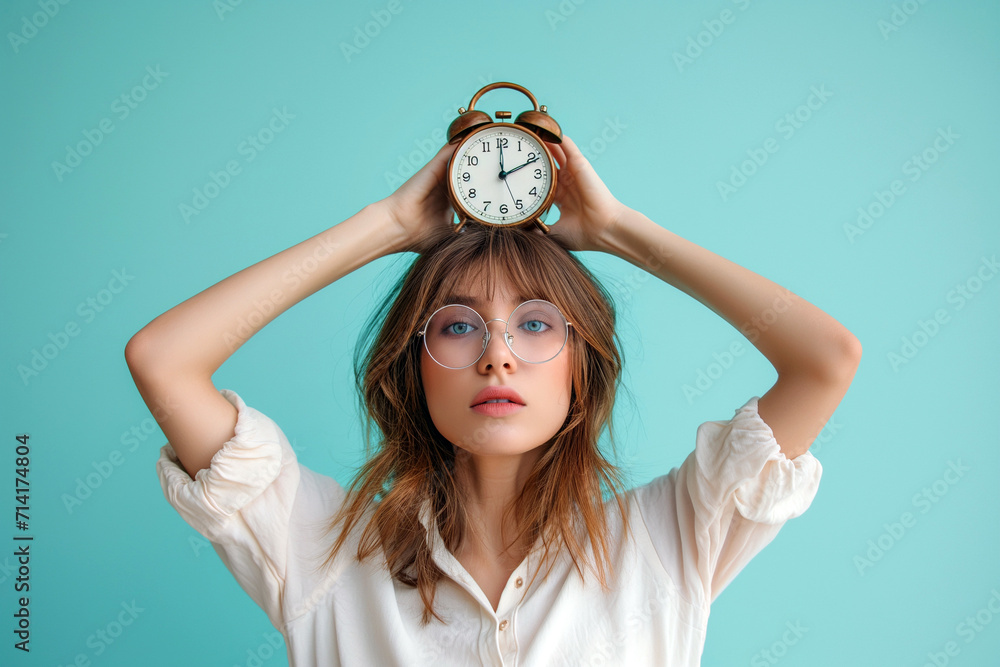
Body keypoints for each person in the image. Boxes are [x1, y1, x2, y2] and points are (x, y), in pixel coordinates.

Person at [125, 134, 861, 666]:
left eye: (536, 323)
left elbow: (824, 360)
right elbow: (164, 360)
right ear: (414, 368)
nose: (497, 353)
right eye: (457, 325)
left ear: (581, 368)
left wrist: (616, 230)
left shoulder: (668, 540)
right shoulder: (319, 550)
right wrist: (385, 227)